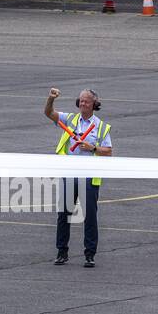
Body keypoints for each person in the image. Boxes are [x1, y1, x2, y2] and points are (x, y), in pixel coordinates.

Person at [44, 87, 112, 268]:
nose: (83, 103)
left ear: (94, 104)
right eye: (81, 100)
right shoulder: (70, 119)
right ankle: (62, 252)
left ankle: (90, 254)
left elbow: (108, 151)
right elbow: (48, 113)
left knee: (90, 216)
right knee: (64, 214)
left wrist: (93, 148)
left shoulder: (100, 126)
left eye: (87, 101)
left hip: (89, 176)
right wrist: (51, 99)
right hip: (69, 173)